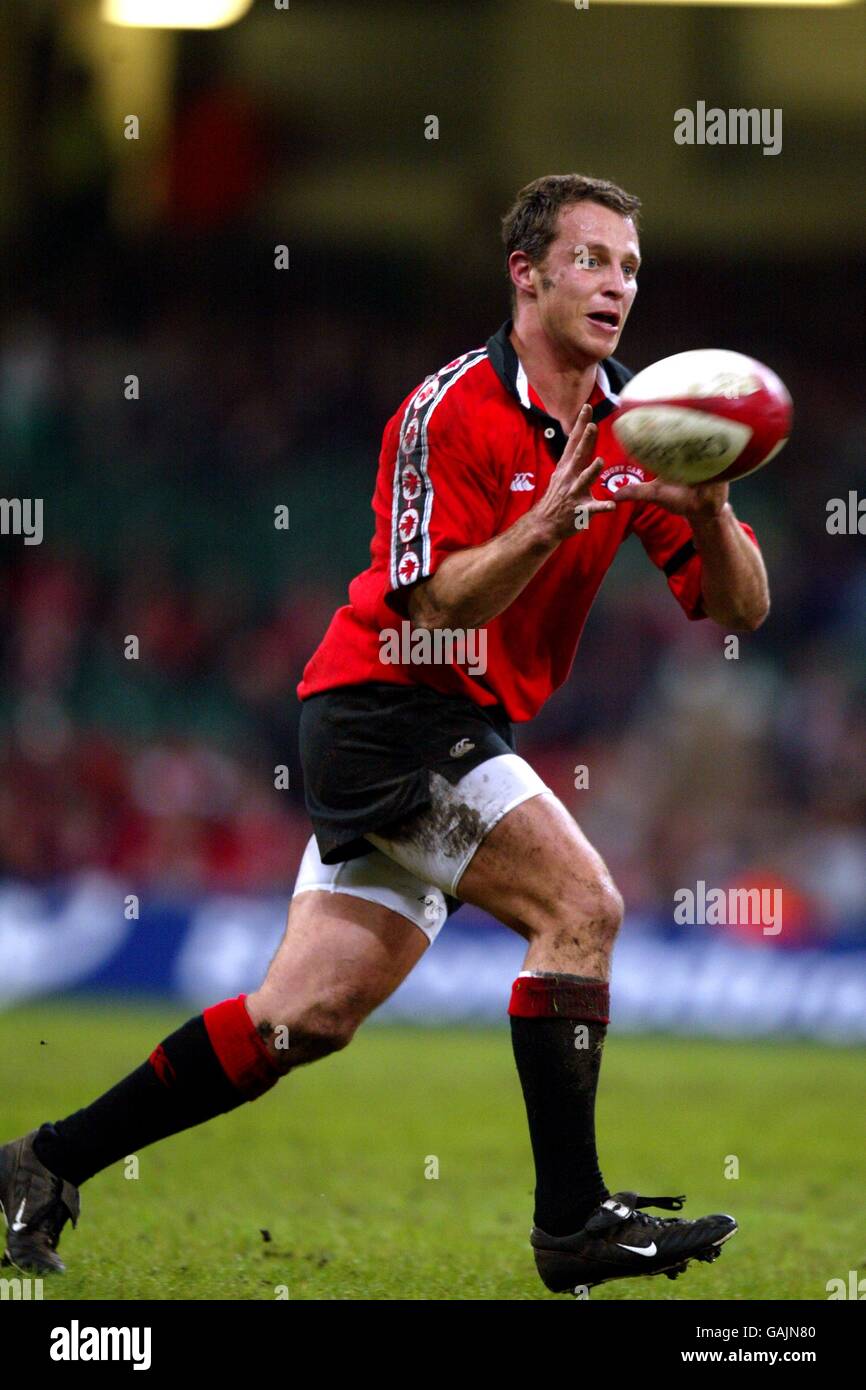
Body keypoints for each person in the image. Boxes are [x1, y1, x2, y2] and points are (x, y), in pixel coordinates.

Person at [1, 174, 768, 1295]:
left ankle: (43, 1161)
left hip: (461, 723)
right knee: (581, 905)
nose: (616, 285)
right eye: (592, 259)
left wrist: (705, 503)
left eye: (631, 266)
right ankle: (573, 1223)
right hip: (385, 706)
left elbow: (739, 609)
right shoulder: (445, 409)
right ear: (527, 272)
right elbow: (433, 604)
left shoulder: (637, 429)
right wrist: (546, 523)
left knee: (297, 1021)